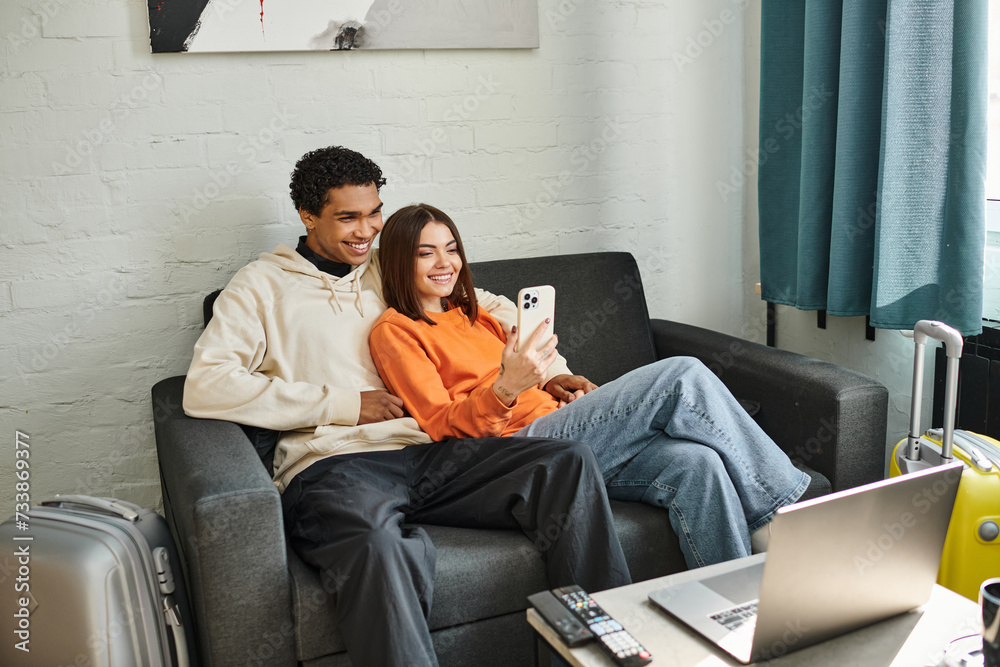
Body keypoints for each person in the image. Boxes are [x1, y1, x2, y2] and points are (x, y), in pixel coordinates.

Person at [182, 147, 632, 667]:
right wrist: (347, 405)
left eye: (373, 212)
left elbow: (489, 305)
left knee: (565, 460)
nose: (365, 229)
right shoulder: (259, 287)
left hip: (429, 453)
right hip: (336, 468)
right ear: (307, 217)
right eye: (347, 217)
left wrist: (551, 374)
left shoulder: (387, 268)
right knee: (379, 548)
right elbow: (206, 387)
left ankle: (602, 653)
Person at [369, 203, 812, 571]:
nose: (445, 264)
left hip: (561, 431)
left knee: (698, 465)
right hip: (509, 455)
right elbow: (444, 426)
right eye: (426, 254)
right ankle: (788, 515)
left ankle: (734, 610)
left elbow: (521, 375)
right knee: (681, 375)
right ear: (398, 261)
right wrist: (506, 389)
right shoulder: (395, 331)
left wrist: (555, 380)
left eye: (451, 249)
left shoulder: (475, 313)